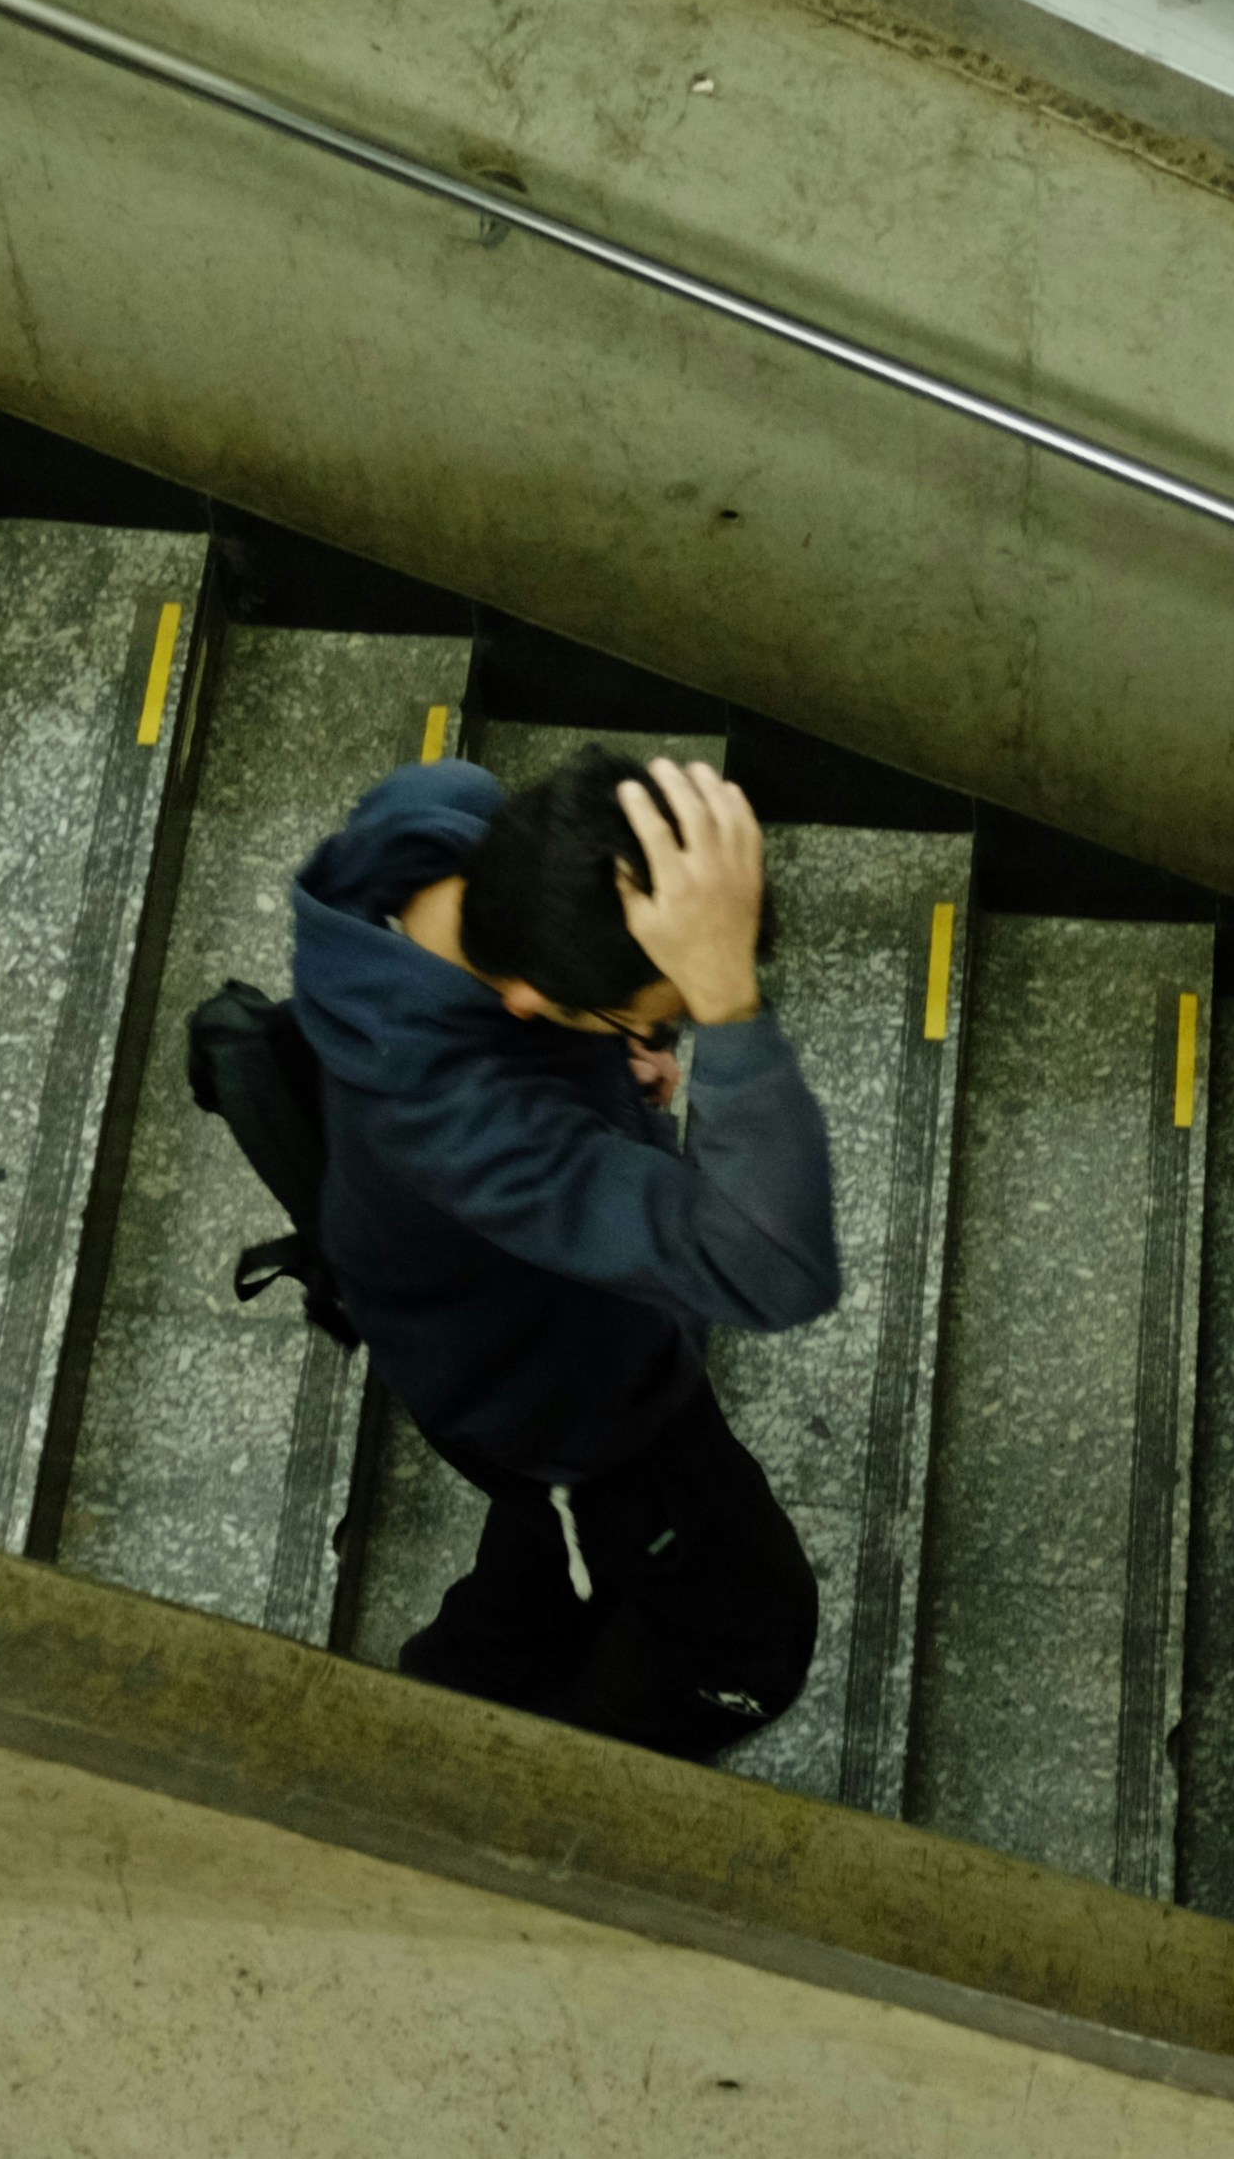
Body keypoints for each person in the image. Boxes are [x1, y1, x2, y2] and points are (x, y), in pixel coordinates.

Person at [287, 744, 835, 1762]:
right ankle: (548, 1781)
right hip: (559, 1406)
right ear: (528, 1000)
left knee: (540, 1577)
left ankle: (455, 1682)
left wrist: (616, 1056)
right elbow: (774, 1265)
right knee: (751, 1633)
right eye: (662, 1014)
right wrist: (723, 997)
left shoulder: (445, 813)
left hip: (467, 1308)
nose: (674, 1030)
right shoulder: (470, 1127)